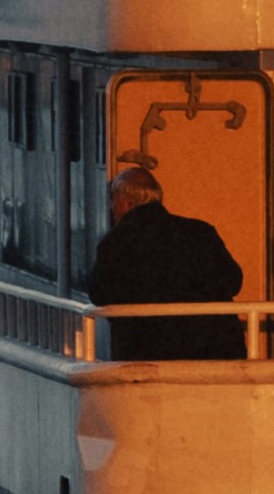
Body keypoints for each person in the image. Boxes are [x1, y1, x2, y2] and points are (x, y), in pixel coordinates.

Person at [85, 128, 245, 365]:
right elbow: (233, 280)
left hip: (146, 354)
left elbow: (99, 294)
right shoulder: (200, 231)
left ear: (128, 203)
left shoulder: (116, 243)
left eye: (114, 201)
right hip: (215, 349)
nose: (111, 207)